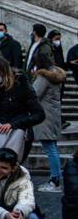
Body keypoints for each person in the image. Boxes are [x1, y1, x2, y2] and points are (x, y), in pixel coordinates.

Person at [31, 57, 66, 192]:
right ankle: (55, 179)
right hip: (53, 115)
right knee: (52, 148)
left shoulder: (43, 77)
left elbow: (34, 94)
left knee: (50, 148)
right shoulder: (56, 76)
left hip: (45, 117)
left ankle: (55, 180)